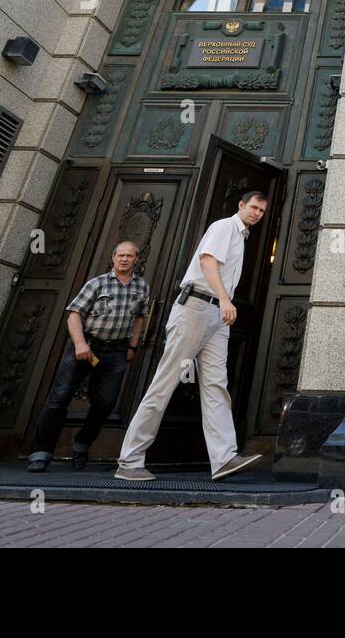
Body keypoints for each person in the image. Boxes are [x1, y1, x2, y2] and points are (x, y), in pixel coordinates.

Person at [115, 190, 269, 482]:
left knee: (215, 385)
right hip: (198, 306)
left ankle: (223, 458)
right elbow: (208, 261)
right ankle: (130, 460)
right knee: (165, 382)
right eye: (253, 208)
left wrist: (223, 303)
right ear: (241, 205)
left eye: (261, 211)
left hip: (217, 316)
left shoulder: (242, 236)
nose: (257, 214)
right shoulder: (225, 227)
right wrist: (225, 298)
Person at [28, 241, 149, 473]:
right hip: (87, 345)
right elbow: (74, 315)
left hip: (116, 351)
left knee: (105, 403)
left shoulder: (141, 287)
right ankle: (40, 453)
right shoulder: (97, 283)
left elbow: (140, 317)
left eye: (129, 256)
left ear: (136, 259)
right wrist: (80, 344)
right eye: (120, 255)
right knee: (59, 398)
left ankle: (82, 443)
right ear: (113, 257)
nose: (124, 259)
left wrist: (132, 346)